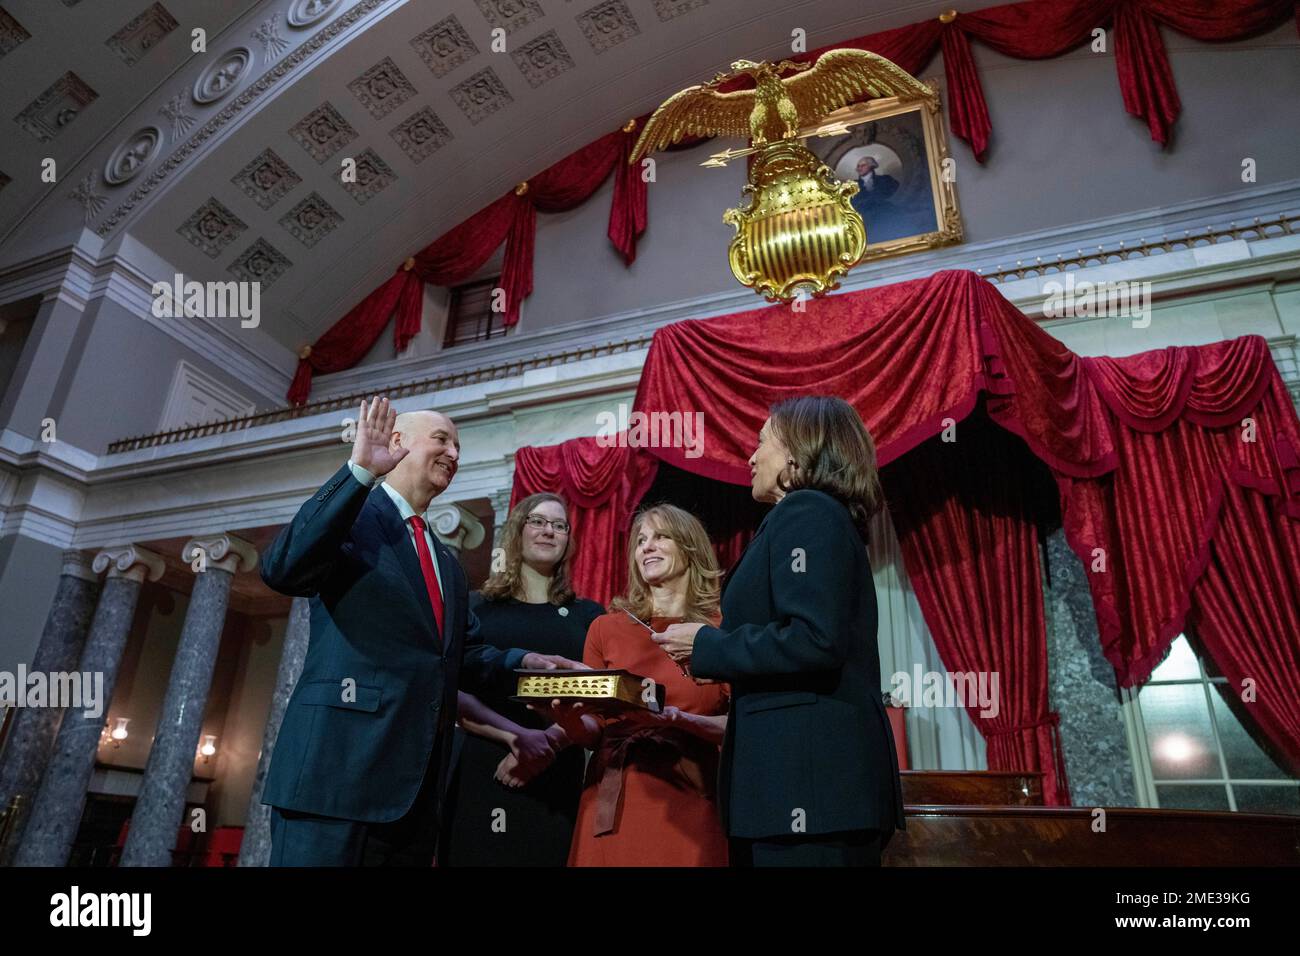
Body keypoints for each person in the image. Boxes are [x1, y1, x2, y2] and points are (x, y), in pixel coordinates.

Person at [260, 396, 584, 866]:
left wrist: (525, 661)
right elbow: (282, 568)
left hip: (413, 797)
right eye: (442, 440)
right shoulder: (352, 518)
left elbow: (462, 657)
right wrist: (357, 474)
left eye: (458, 446)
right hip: (335, 781)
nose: (454, 454)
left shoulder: (447, 564)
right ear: (395, 442)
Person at [654, 395, 906, 867]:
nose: (750, 458)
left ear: (795, 452)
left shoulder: (807, 510)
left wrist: (708, 646)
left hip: (808, 787)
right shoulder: (814, 516)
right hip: (807, 788)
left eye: (760, 442)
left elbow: (815, 640)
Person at [548, 504, 730, 867]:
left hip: (693, 794)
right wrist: (568, 718)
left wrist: (682, 721)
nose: (647, 546)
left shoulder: (722, 630)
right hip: (616, 796)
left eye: (661, 536)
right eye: (640, 540)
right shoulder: (605, 628)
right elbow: (593, 729)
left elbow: (741, 723)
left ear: (690, 546)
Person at [439, 493, 604, 866]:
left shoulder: (589, 615)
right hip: (482, 764)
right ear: (516, 532)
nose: (549, 531)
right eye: (538, 521)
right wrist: (517, 738)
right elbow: (452, 688)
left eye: (559, 525)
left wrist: (547, 744)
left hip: (557, 770)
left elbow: (597, 696)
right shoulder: (475, 608)